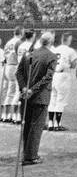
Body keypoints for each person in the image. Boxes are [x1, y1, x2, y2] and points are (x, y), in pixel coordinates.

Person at [17, 31, 58, 166]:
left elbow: (19, 73)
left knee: (27, 125)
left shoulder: (29, 54)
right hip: (39, 97)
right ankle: (31, 156)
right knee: (36, 126)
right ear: (51, 42)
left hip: (26, 96)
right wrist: (32, 90)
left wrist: (24, 89)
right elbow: (47, 78)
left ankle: (27, 153)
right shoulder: (51, 56)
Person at [48, 31, 77, 131]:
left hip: (54, 74)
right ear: (68, 40)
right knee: (61, 99)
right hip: (64, 75)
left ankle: (50, 123)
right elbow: (74, 65)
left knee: (53, 98)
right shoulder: (70, 50)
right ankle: (57, 124)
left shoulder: (55, 49)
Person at [0, 28, 23, 122]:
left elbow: (5, 55)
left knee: (8, 91)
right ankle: (13, 116)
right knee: (17, 91)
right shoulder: (19, 42)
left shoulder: (8, 42)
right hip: (14, 66)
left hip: (7, 66)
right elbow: (19, 56)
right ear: (21, 33)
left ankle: (5, 115)